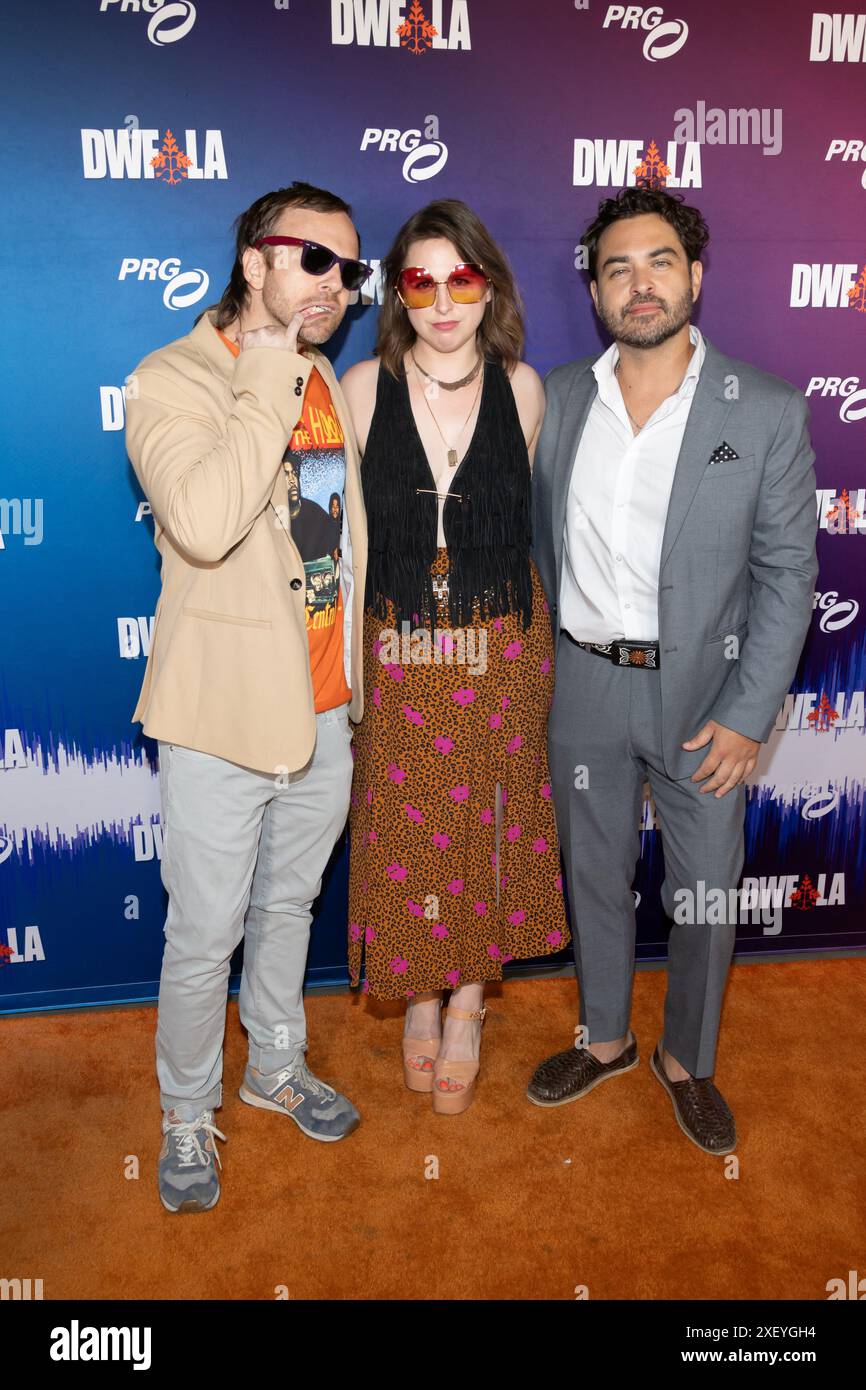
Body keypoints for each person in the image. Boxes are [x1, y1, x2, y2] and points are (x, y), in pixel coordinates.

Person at [528, 187, 818, 1153]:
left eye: (659, 262)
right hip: (583, 685)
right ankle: (606, 1037)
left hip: (706, 695)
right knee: (595, 877)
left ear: (694, 277)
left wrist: (751, 711)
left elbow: (787, 573)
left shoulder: (765, 411)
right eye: (617, 267)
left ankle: (686, 1058)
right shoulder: (556, 397)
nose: (639, 283)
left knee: (703, 890)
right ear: (597, 290)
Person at [125, 181, 372, 1211]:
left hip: (321, 710)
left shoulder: (324, 378)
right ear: (254, 261)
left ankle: (273, 1064)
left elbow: (336, 543)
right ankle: (187, 1111)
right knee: (203, 931)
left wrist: (352, 687)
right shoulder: (171, 377)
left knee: (290, 906)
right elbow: (206, 520)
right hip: (220, 718)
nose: (338, 286)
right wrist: (268, 366)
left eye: (349, 270)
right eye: (314, 260)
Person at [340, 199, 569, 1116]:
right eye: (421, 281)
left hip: (501, 637)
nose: (443, 300)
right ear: (398, 292)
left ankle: (468, 1002)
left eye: (462, 279)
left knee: (490, 816)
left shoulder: (525, 390)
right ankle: (420, 995)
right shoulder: (361, 387)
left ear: (489, 287)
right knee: (405, 823)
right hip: (399, 641)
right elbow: (339, 534)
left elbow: (523, 529)